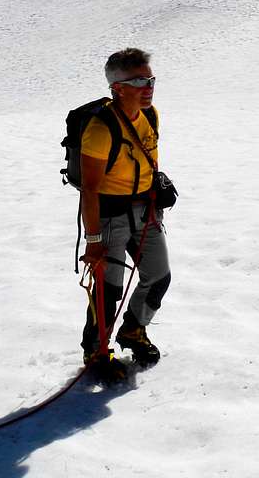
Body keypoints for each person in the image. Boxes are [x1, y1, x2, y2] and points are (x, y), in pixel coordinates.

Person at [79, 48, 170, 375]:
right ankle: (96, 352)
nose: (149, 87)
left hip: (144, 211)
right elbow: (89, 189)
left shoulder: (151, 115)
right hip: (109, 216)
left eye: (151, 79)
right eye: (140, 80)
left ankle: (133, 329)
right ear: (117, 87)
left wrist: (155, 189)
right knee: (108, 290)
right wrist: (93, 241)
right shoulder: (101, 128)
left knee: (159, 276)